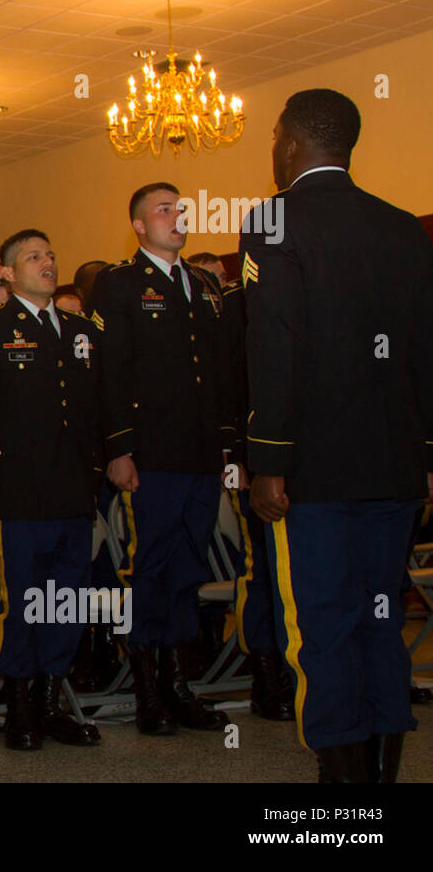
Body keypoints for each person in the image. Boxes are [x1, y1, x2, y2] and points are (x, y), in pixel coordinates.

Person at [241, 88, 433, 782]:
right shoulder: (403, 227)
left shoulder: (274, 221)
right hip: (395, 470)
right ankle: (381, 776)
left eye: (272, 136)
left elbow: (277, 347)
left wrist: (269, 461)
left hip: (313, 473)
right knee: (383, 619)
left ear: (291, 143)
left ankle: (342, 790)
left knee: (322, 627)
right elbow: (424, 353)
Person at [89, 183, 234, 736]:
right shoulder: (120, 283)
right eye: (165, 210)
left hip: (199, 452)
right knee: (152, 568)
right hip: (152, 453)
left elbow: (218, 371)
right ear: (140, 226)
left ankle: (180, 683)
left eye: (182, 208)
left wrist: (226, 447)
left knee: (188, 567)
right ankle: (148, 687)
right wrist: (120, 448)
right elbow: (111, 370)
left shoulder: (202, 284)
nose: (178, 217)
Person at [0, 230, 103, 751]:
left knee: (66, 600)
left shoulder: (81, 328)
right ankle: (19, 706)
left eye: (49, 255)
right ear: (8, 275)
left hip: (73, 489)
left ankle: (50, 702)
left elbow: (94, 408)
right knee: (26, 600)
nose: (47, 263)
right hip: (19, 489)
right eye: (33, 257)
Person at [218, 273, 295, 722]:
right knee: (263, 571)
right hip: (253, 460)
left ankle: (301, 669)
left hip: (309, 462)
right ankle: (267, 676)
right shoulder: (237, 305)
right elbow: (227, 385)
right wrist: (235, 464)